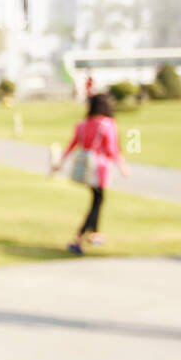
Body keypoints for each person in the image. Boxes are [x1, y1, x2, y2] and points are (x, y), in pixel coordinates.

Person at [51, 92, 129, 255]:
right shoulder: (107, 124)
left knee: (97, 199)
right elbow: (112, 150)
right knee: (97, 202)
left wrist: (60, 163)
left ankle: (94, 235)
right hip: (99, 169)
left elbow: (73, 144)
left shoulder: (83, 124)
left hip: (85, 169)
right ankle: (79, 238)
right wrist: (122, 167)